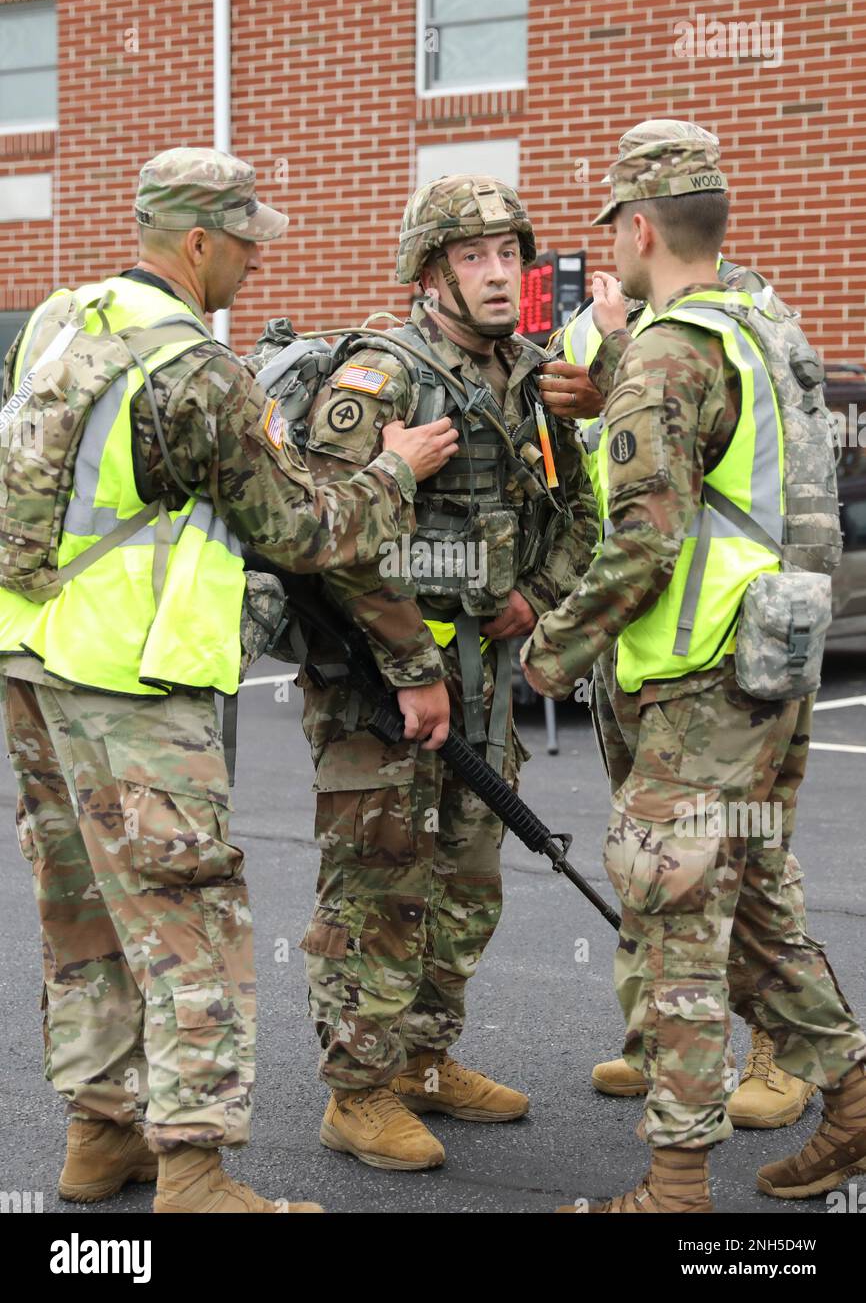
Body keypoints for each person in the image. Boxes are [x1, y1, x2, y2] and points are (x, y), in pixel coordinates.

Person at [0, 146, 457, 1214]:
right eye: (246, 243)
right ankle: (195, 1174)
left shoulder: (65, 319)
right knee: (186, 914)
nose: (255, 264)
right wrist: (393, 471)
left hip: (34, 664)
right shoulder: (195, 370)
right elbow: (302, 525)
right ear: (197, 241)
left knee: (83, 913)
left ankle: (100, 1135)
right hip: (130, 686)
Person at [521, 130, 866, 1213]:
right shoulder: (754, 326)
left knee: (672, 911)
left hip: (698, 682)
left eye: (611, 235)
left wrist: (552, 648)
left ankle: (673, 1187)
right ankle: (854, 1100)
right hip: (768, 673)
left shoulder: (667, 349)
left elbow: (642, 543)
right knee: (753, 900)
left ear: (636, 230)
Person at [293, 173, 597, 1170]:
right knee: (378, 887)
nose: (499, 273)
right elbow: (326, 544)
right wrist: (414, 665)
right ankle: (356, 1090)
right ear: (429, 274)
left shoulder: (528, 378)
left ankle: (422, 1062)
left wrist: (532, 599)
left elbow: (578, 518)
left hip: (476, 685)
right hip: (381, 693)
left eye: (509, 253)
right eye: (473, 256)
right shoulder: (381, 379)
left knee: (465, 883)